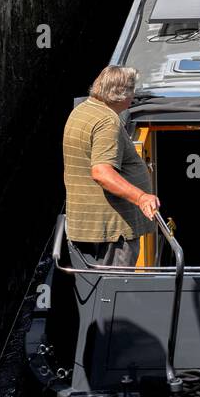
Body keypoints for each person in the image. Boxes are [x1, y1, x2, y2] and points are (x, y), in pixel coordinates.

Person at [63, 64, 159, 269]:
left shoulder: (81, 111)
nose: (134, 96)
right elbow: (101, 172)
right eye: (132, 90)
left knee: (97, 289)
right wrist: (141, 197)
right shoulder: (107, 122)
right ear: (123, 95)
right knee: (116, 290)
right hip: (112, 233)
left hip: (86, 226)